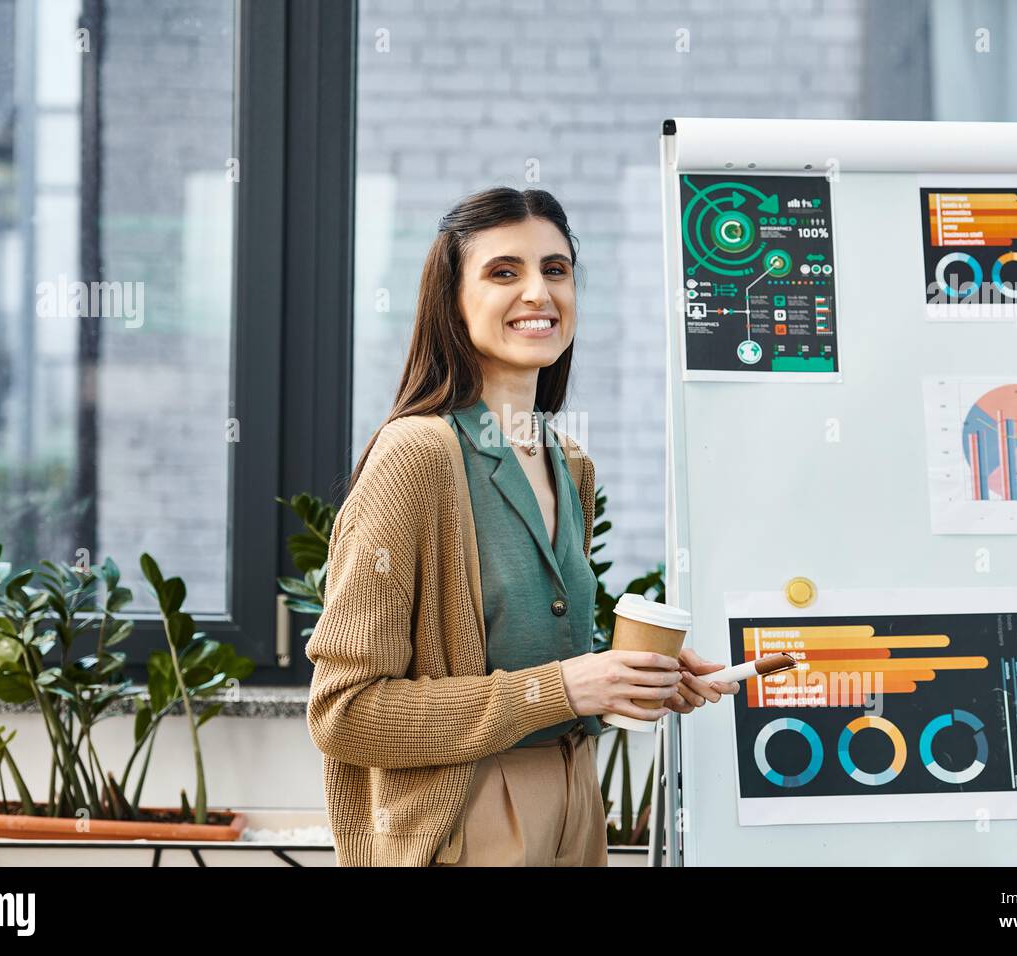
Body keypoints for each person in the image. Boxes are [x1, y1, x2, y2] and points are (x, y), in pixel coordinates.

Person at [305, 186, 739, 867]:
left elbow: (541, 660)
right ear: (450, 301)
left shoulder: (570, 463)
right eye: (504, 272)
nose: (538, 292)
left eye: (556, 270)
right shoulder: (417, 455)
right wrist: (563, 687)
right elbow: (346, 713)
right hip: (463, 819)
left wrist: (629, 678)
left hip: (576, 805)